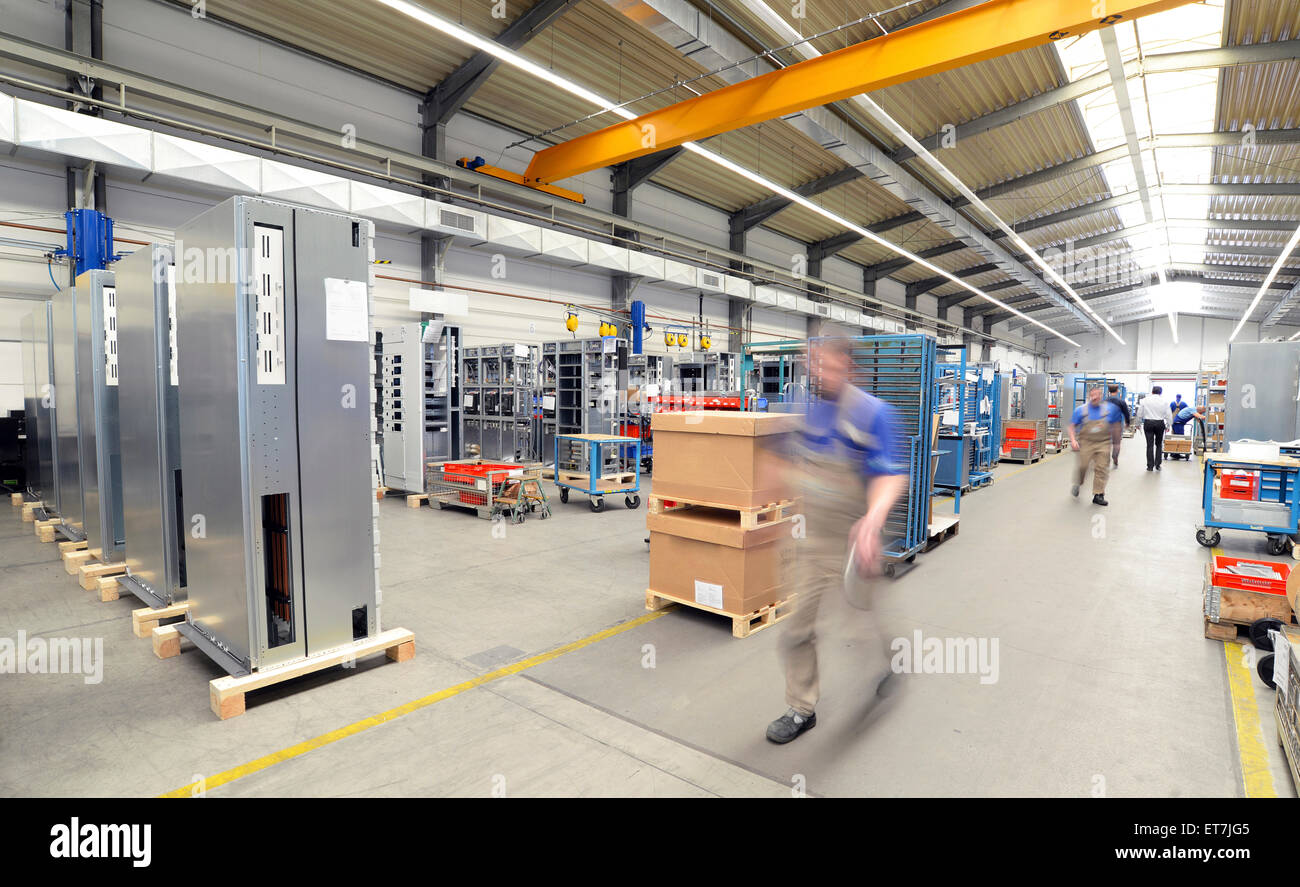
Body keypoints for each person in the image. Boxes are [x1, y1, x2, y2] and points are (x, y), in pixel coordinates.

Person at [765, 337, 906, 745]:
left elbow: (891, 474)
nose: (816, 372)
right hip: (811, 540)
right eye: (812, 364)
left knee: (862, 621)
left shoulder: (873, 413)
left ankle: (889, 659)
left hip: (853, 537)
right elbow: (790, 463)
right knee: (796, 630)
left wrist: (873, 519)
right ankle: (801, 707)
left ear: (847, 364)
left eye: (823, 364)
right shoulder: (811, 412)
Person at [1069, 384, 1123, 506]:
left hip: (1103, 442)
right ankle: (1078, 483)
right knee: (1083, 466)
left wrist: (1116, 444)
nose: (1094, 397)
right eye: (1092, 395)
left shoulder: (1110, 409)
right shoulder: (1081, 410)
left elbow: (1115, 426)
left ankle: (1098, 494)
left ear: (1101, 396)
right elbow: (1072, 426)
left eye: (1097, 395)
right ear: (1089, 396)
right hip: (1086, 442)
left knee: (1102, 468)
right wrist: (1073, 440)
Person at [1137, 385, 1171, 471]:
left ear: (1152, 392)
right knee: (1159, 444)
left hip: (1148, 423)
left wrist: (1137, 423)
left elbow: (1139, 413)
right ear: (1161, 392)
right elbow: (1169, 415)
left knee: (1149, 445)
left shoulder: (1144, 400)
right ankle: (1158, 465)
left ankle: (1150, 466)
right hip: (1160, 423)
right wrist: (1168, 425)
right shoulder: (1165, 401)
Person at [1106, 384, 1131, 467]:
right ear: (1117, 391)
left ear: (1109, 391)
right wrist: (1127, 422)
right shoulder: (1121, 402)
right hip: (1116, 424)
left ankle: (1105, 458)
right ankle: (1115, 456)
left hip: (1105, 424)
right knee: (1117, 443)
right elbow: (1126, 413)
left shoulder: (1104, 401)